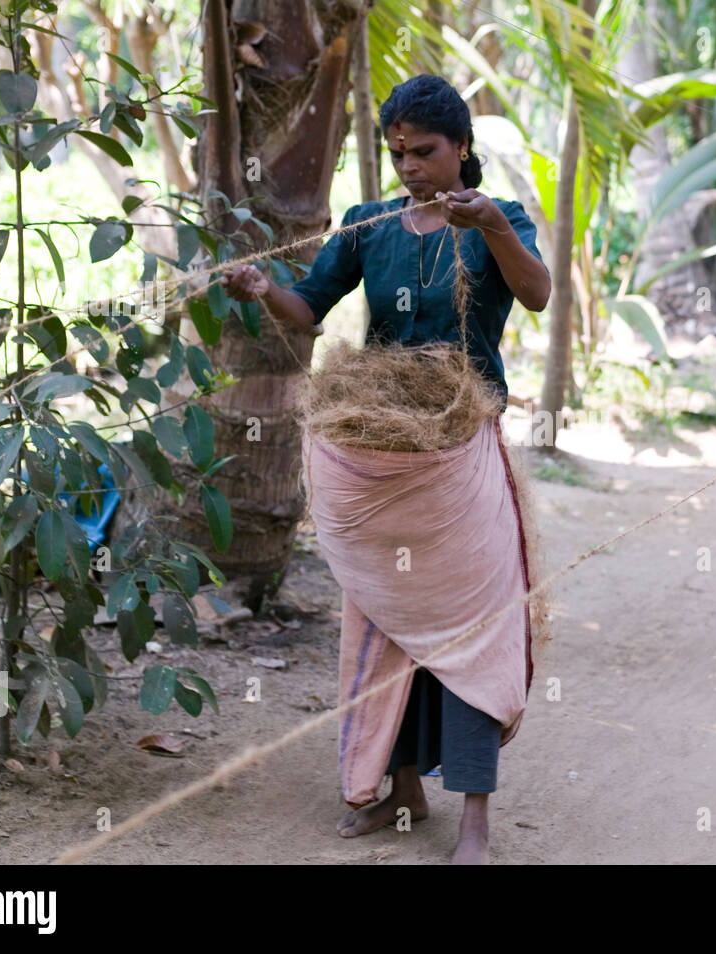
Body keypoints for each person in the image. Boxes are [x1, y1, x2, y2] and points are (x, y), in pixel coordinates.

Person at [221, 74, 550, 863]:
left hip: (460, 460)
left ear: (461, 148)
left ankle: (474, 818)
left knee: (474, 632)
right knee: (387, 627)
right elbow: (308, 309)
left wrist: (494, 230)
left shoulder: (500, 220)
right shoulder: (369, 225)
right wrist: (267, 290)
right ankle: (397, 790)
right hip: (380, 464)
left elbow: (536, 294)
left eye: (425, 152)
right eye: (397, 152)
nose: (409, 167)